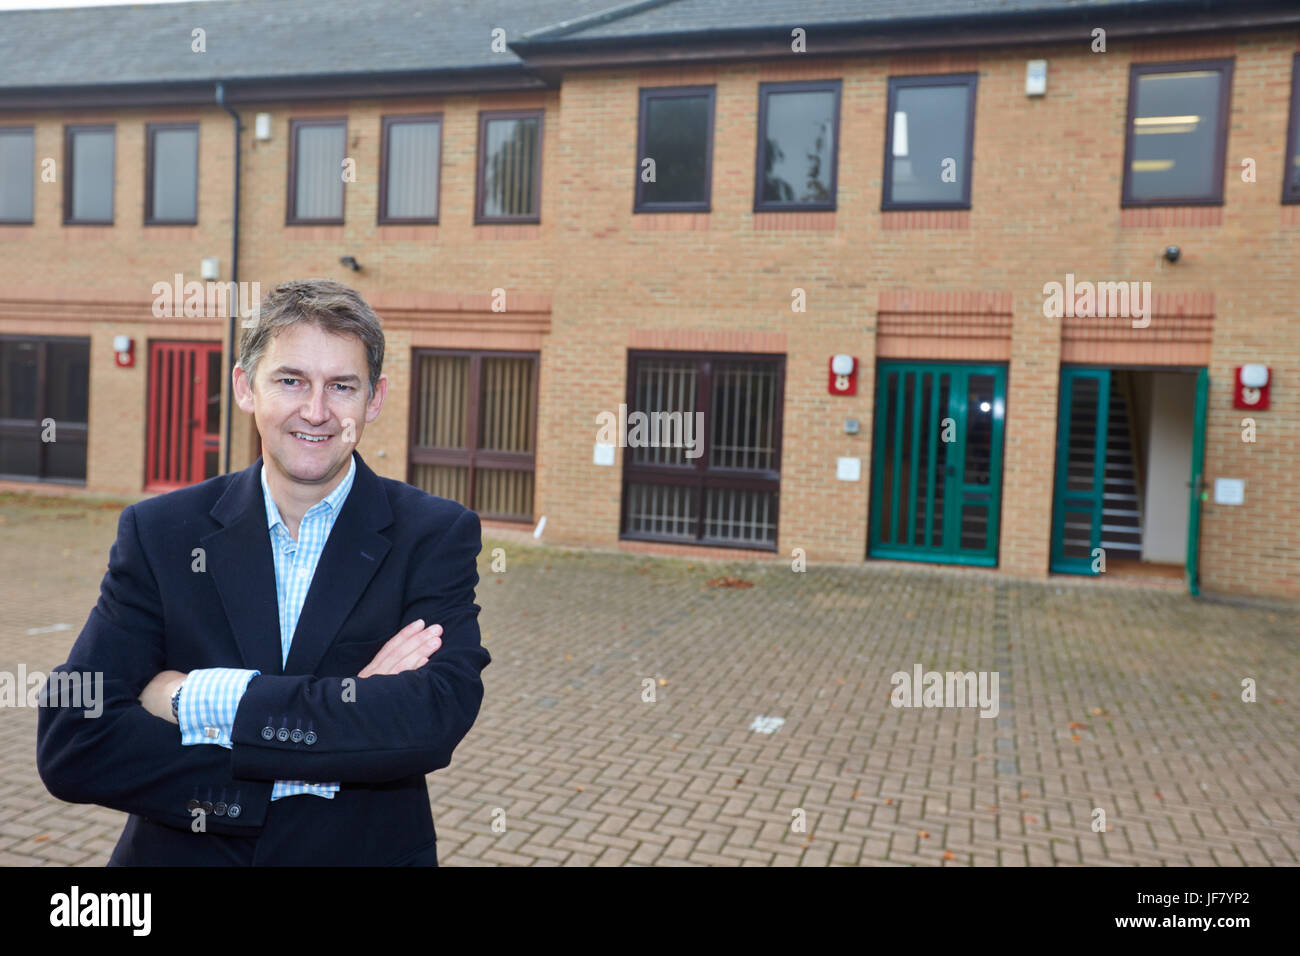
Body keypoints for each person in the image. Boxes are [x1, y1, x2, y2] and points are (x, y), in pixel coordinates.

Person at [36, 278, 490, 865]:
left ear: (374, 400)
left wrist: (197, 697)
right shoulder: (162, 532)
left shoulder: (433, 535)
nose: (317, 411)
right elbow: (74, 738)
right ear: (245, 386)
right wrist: (341, 731)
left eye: (342, 386)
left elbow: (433, 718)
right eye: (291, 380)